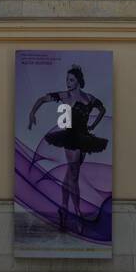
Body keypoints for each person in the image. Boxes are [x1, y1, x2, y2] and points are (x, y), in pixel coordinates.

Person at [28, 63, 108, 231]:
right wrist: (31, 113)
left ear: (78, 81)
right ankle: (77, 213)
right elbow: (43, 99)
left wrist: (93, 125)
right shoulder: (65, 96)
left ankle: (63, 209)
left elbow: (102, 109)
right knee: (74, 176)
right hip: (71, 138)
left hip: (85, 140)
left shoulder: (89, 98)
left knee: (69, 177)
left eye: (71, 80)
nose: (68, 82)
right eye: (67, 80)